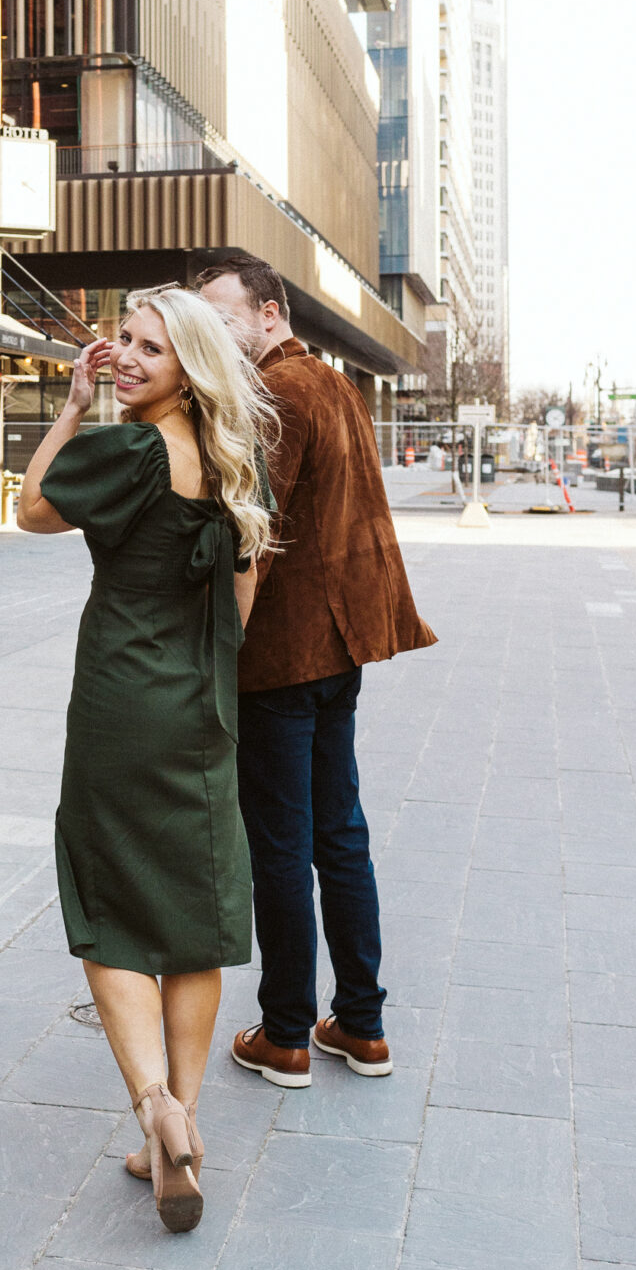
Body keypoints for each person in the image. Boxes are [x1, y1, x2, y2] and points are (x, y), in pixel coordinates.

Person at [17, 283, 276, 1232]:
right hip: (199, 709)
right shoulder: (231, 457)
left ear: (187, 369)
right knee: (193, 913)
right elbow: (242, 604)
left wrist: (75, 407)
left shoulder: (128, 449)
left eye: (146, 351)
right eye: (120, 340)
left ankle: (154, 1110)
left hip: (119, 704)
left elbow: (32, 509)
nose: (122, 356)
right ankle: (185, 1122)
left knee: (114, 908)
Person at [196, 256, 437, 1088]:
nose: (213, 335)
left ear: (268, 313)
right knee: (340, 836)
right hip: (339, 651)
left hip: (284, 658)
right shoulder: (332, 384)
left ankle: (287, 1031)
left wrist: (215, 652)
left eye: (221, 318)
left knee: (281, 845)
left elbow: (246, 533)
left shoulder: (275, 394)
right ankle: (361, 1025)